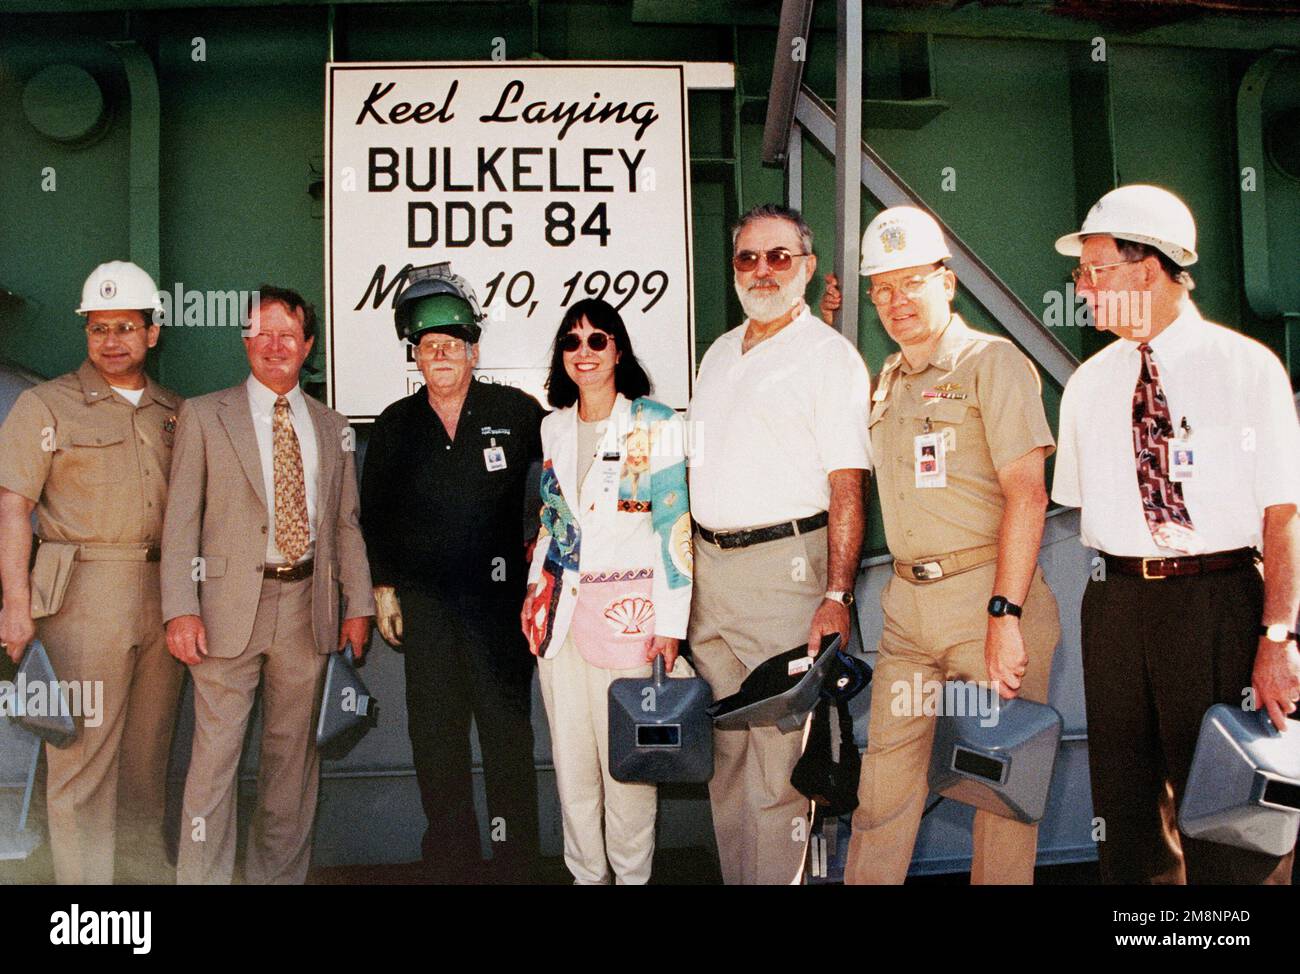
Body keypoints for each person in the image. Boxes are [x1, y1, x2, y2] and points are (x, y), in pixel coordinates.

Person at [1051, 184, 1300, 884]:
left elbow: (1285, 516)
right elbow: (1080, 511)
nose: (1084, 289)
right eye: (1082, 274)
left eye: (1097, 271)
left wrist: (1277, 639)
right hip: (1119, 606)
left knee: (1233, 805)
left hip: (1218, 600)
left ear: (1151, 268)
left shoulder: (1247, 370)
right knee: (1127, 812)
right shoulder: (1089, 386)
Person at [824, 207, 1061, 885]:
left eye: (910, 284)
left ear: (947, 283)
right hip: (908, 612)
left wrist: (1005, 616)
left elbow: (1028, 494)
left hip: (987, 599)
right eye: (882, 290)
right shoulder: (886, 383)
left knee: (1000, 797)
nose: (896, 303)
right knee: (883, 794)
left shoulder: (994, 363)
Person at [161, 286, 374, 885]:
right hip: (223, 611)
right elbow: (180, 522)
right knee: (212, 768)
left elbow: (345, 525)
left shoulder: (333, 427)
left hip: (308, 609)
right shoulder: (205, 414)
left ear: (308, 346)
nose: (274, 345)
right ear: (245, 341)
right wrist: (180, 607)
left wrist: (357, 605)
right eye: (261, 332)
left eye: (288, 334)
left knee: (292, 769)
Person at [687, 204, 872, 885]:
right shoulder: (717, 353)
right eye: (747, 257)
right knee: (726, 758)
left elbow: (848, 488)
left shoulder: (830, 359)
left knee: (779, 767)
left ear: (807, 266)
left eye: (778, 257)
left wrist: (835, 595)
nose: (761, 270)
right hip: (710, 577)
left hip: (785, 577)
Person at [0, 261, 184, 884]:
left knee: (146, 763)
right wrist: (14, 605)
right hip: (81, 594)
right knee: (80, 764)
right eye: (99, 328)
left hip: (162, 595)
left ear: (152, 333)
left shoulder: (174, 411)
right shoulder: (46, 404)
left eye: (125, 327)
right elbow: (13, 507)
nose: (111, 341)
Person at [360, 263, 544, 883]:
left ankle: (516, 864)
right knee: (436, 745)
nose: (439, 355)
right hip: (427, 610)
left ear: (473, 350)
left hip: (500, 615)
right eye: (428, 347)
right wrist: (382, 585)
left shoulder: (518, 413)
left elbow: (558, 493)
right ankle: (452, 864)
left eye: (451, 345)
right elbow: (375, 512)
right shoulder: (393, 425)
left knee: (507, 743)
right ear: (415, 356)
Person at [521, 298, 692, 885]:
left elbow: (674, 529)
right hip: (560, 624)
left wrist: (671, 625)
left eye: (598, 340)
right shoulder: (552, 427)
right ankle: (586, 877)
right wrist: (532, 596)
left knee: (630, 773)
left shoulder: (655, 422)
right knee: (573, 773)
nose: (584, 352)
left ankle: (634, 877)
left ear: (618, 349)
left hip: (631, 623)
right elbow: (553, 523)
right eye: (572, 342)